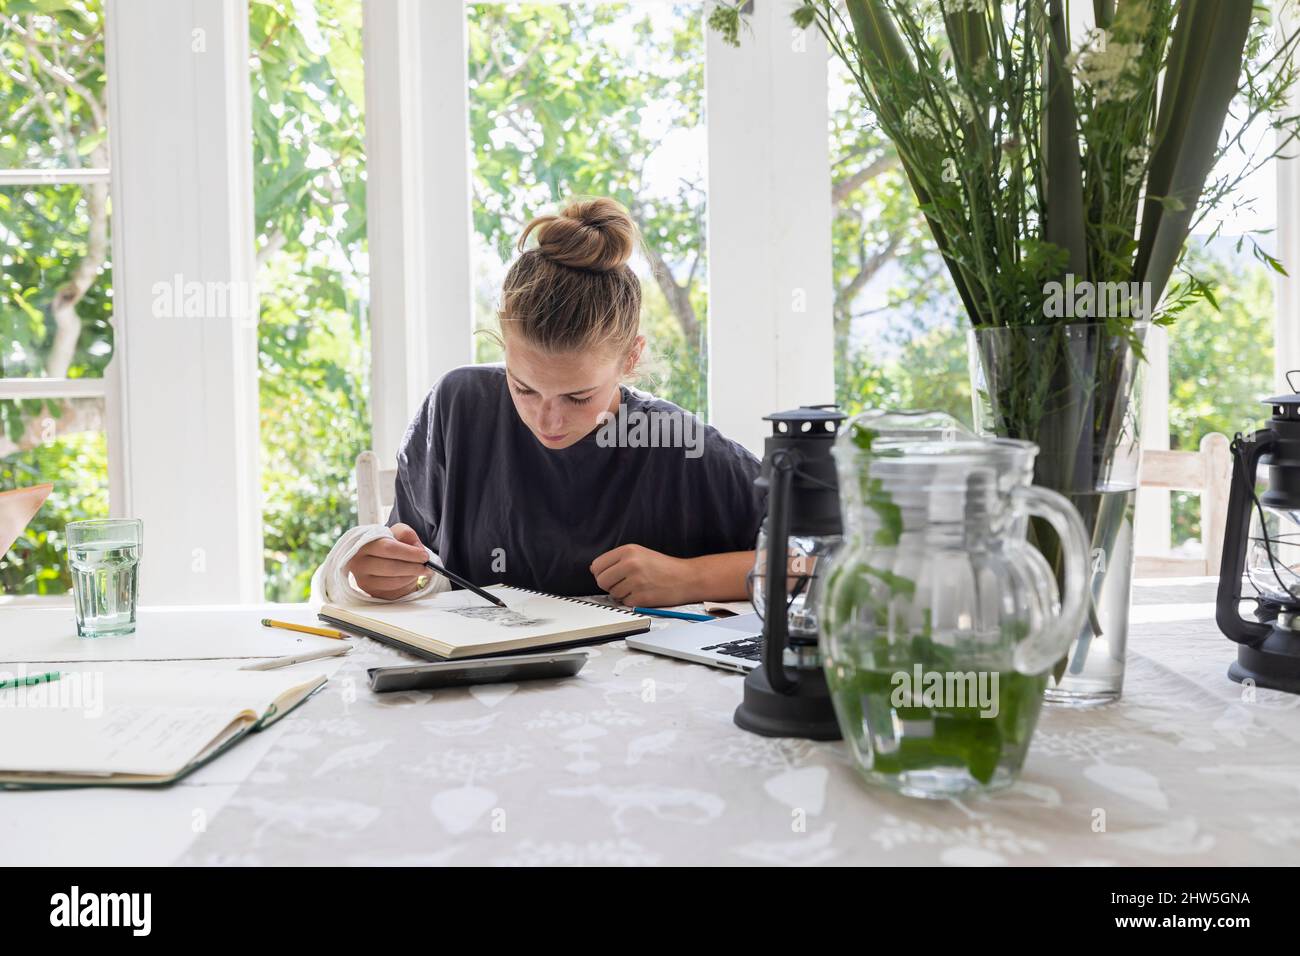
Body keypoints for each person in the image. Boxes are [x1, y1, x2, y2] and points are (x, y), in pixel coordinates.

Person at [344, 197, 763, 607]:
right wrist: (381, 571)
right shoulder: (459, 407)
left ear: (630, 358)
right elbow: (405, 556)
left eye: (578, 397)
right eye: (523, 388)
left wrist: (690, 578)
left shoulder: (673, 441)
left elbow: (813, 559)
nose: (547, 421)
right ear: (504, 347)